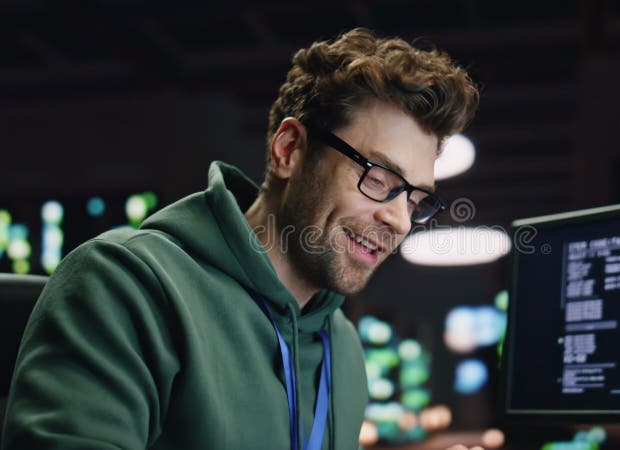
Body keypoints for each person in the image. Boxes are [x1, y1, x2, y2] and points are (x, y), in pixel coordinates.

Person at [1, 28, 479, 449]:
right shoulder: (127, 286)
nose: (399, 219)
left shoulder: (344, 347)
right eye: (378, 178)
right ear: (289, 150)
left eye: (416, 199)